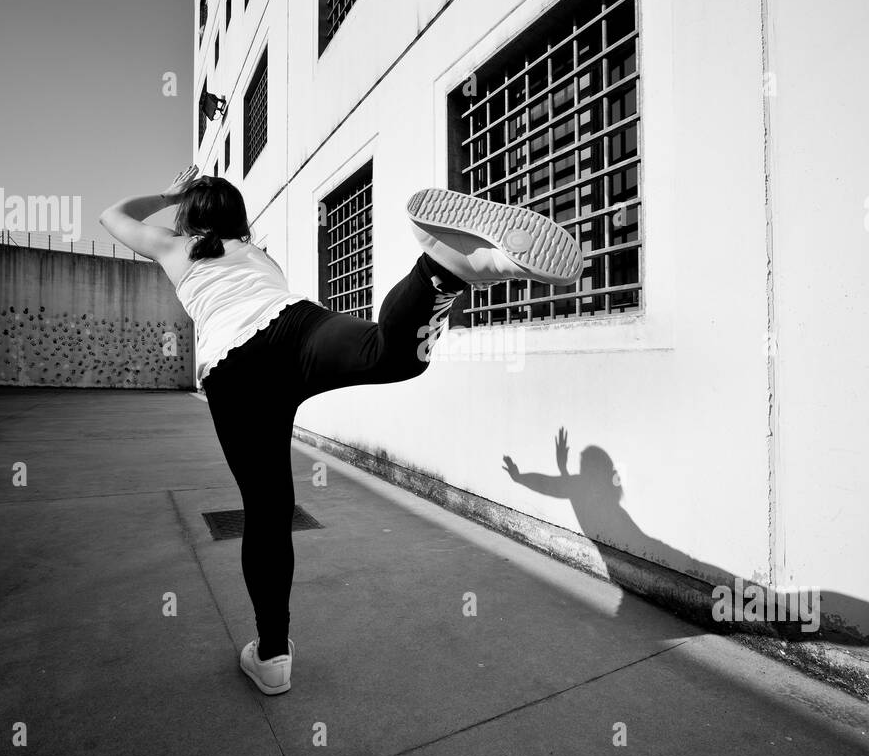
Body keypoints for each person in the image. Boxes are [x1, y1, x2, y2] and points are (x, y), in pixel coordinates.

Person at [99, 166, 582, 694]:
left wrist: (169, 195)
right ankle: (442, 271)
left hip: (237, 375)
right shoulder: (260, 256)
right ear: (240, 218)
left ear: (190, 219)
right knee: (389, 354)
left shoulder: (176, 248)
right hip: (293, 324)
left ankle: (272, 654)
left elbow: (112, 216)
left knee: (266, 511)